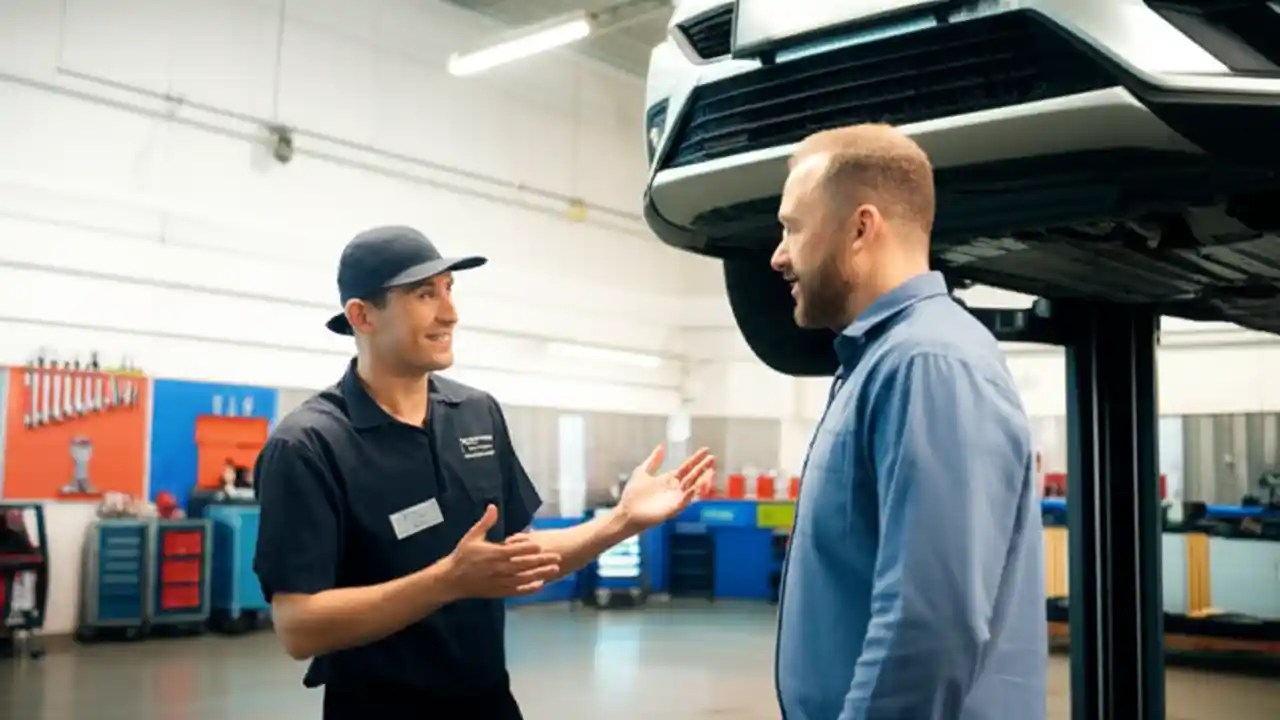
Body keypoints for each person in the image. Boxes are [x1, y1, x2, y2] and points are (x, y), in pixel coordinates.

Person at [252, 226, 714, 720]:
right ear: (362, 315)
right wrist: (446, 581)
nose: (450, 312)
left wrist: (622, 521)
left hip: (489, 702)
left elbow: (517, 558)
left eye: (449, 289)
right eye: (423, 294)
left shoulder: (475, 414)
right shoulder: (309, 445)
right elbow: (299, 627)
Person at [770, 124, 1047, 719]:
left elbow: (928, 623)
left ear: (861, 228)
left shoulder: (928, 365)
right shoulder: (880, 362)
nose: (779, 255)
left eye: (792, 227)